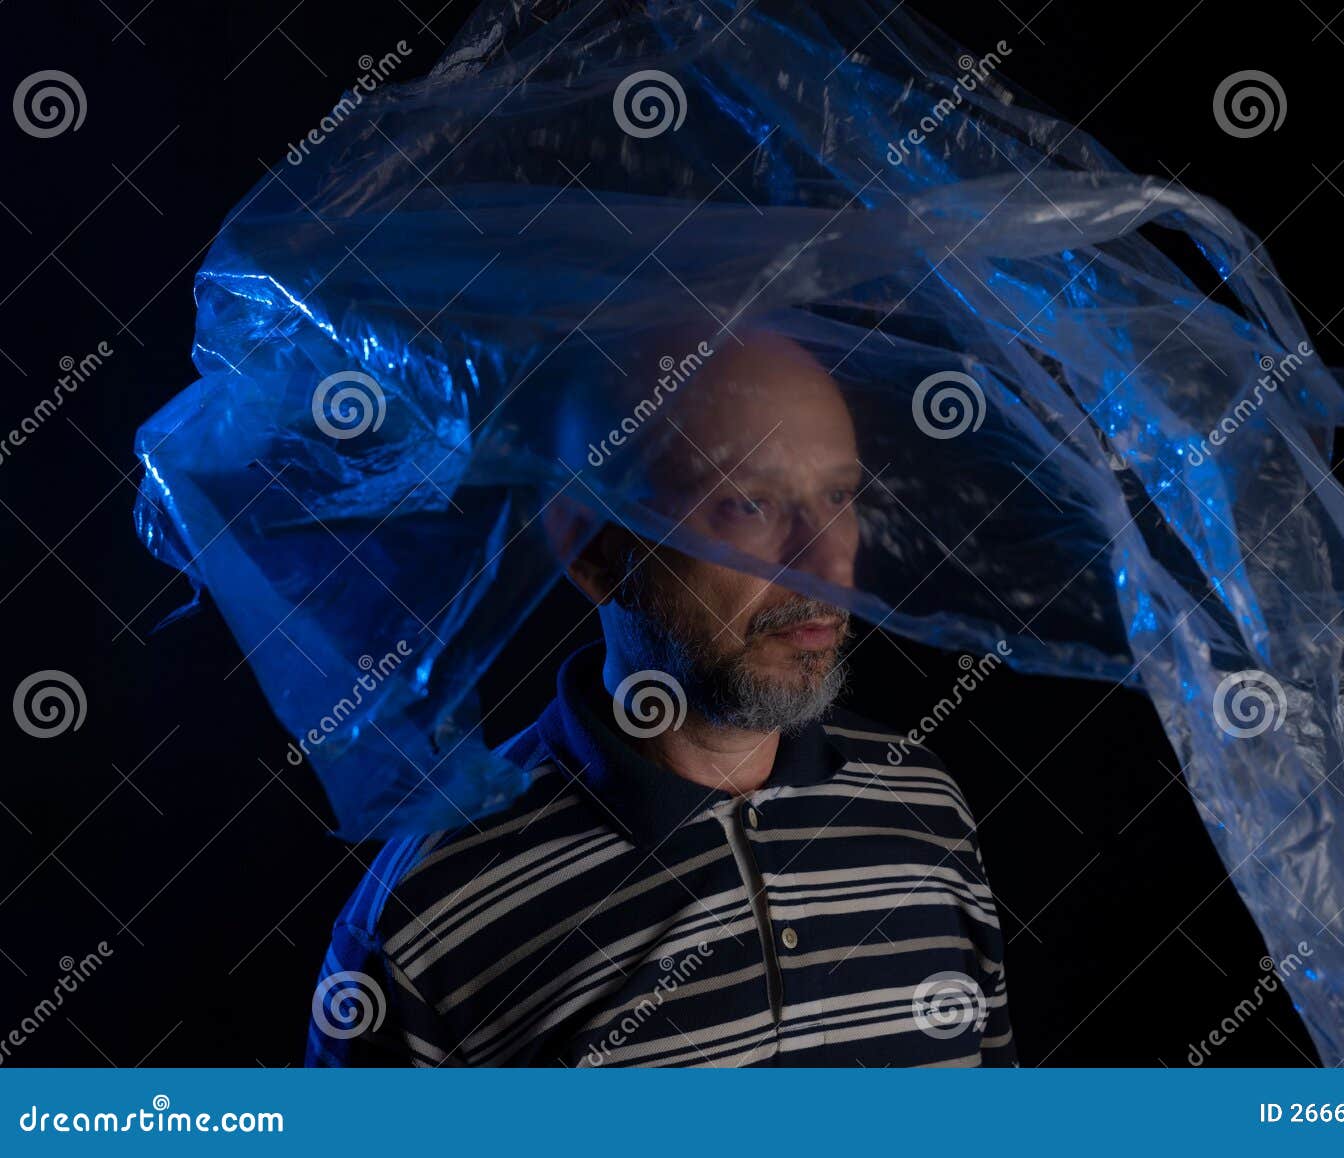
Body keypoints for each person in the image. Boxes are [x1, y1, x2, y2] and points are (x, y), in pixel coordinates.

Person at [306, 328, 1015, 1066]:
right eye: (749, 503)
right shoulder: (430, 905)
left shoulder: (923, 804)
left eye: (838, 494)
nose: (829, 565)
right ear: (597, 551)